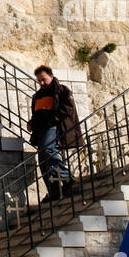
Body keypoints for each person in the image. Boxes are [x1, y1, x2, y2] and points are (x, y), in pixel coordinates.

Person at [28, 65, 80, 201]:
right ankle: (54, 191)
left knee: (48, 149)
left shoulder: (61, 90)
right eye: (39, 80)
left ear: (51, 76)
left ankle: (67, 177)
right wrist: (31, 123)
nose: (41, 83)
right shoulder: (37, 96)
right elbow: (37, 114)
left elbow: (68, 108)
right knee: (43, 161)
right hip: (40, 129)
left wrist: (53, 120)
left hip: (53, 127)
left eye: (44, 79)